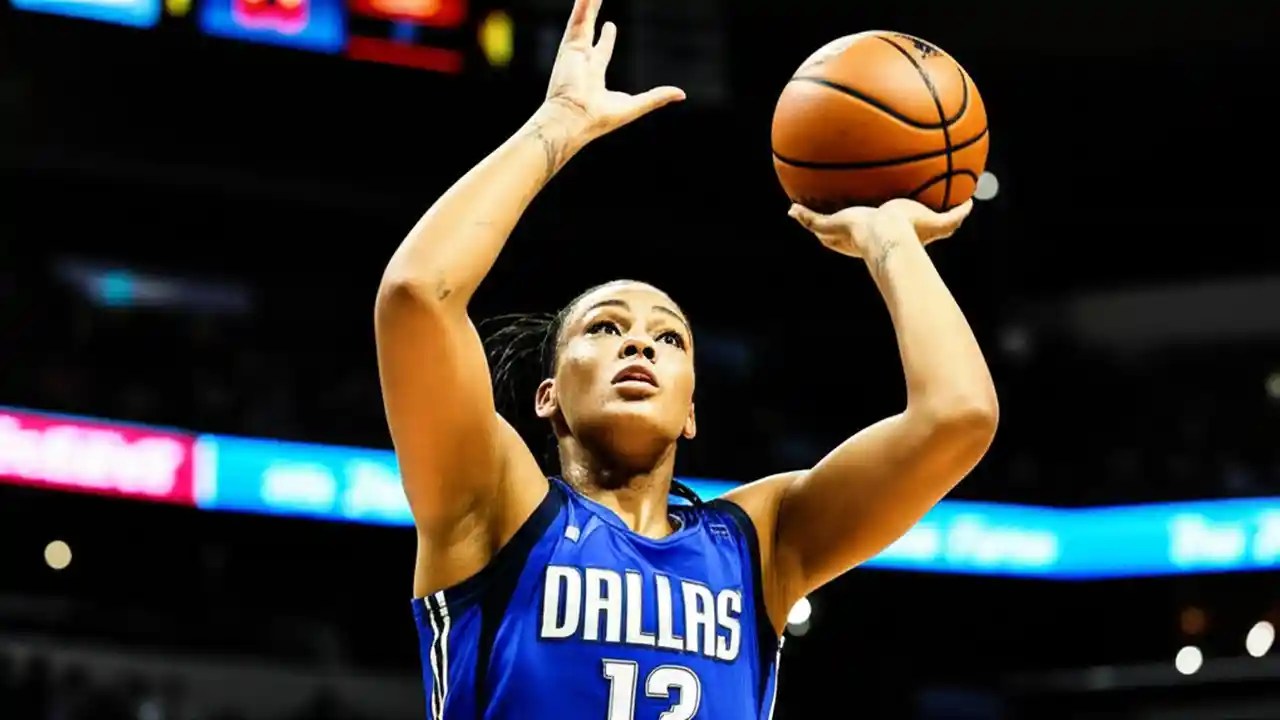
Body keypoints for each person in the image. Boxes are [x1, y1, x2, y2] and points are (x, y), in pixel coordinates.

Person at [373, 0, 998, 717]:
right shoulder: (496, 505)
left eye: (669, 338)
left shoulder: (758, 542)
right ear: (547, 396)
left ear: (692, 409)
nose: (639, 342)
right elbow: (418, 294)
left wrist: (891, 242)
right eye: (604, 329)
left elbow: (958, 417)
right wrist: (557, 127)